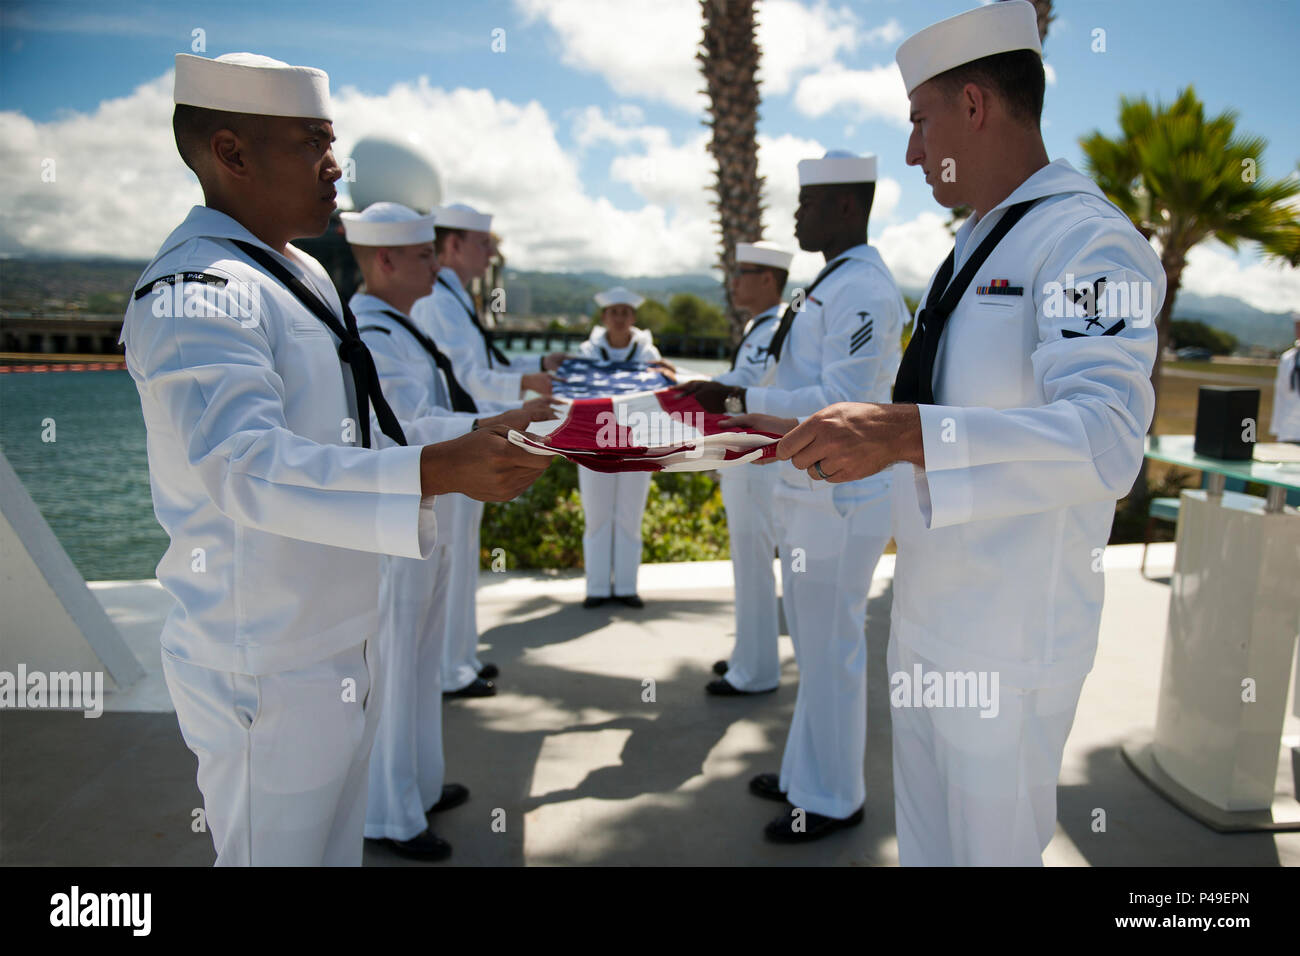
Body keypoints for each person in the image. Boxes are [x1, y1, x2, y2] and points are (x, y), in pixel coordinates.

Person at [120, 53, 547, 866]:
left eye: (333, 142)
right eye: (310, 143)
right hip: (265, 661)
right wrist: (437, 469)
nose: (333, 167)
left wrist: (472, 443)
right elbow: (244, 464)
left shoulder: (297, 272)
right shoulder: (195, 288)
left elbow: (354, 435)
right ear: (231, 152)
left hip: (336, 639)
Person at [771, 0, 1166, 865]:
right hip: (926, 622)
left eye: (920, 122)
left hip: (1010, 641)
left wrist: (908, 434)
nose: (912, 152)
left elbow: (1106, 442)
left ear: (975, 106)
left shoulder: (1089, 243)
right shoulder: (972, 249)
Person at [686, 152, 906, 842]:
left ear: (844, 208)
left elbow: (846, 400)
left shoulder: (863, 289)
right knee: (813, 647)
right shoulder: (831, 282)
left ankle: (835, 797)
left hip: (840, 498)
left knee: (832, 646)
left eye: (808, 205)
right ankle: (802, 776)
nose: (796, 216)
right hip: (811, 492)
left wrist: (741, 399)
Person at [342, 202, 552, 860]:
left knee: (421, 657)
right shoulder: (373, 332)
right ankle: (389, 815)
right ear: (386, 261)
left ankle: (420, 786)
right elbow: (399, 428)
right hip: (397, 515)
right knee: (398, 667)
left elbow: (437, 405)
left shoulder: (398, 327)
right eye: (424, 254)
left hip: (420, 511)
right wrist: (497, 423)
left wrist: (498, 418)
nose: (437, 263)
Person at [412, 203, 562, 698]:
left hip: (467, 433)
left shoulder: (454, 297)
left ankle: (460, 658)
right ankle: (447, 669)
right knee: (449, 556)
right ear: (453, 245)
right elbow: (466, 377)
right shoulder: (437, 300)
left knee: (461, 556)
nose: (492, 251)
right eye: (483, 242)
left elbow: (480, 361)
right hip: (455, 437)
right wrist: (524, 384)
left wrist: (534, 365)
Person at [705, 242, 793, 697]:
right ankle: (747, 655)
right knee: (747, 564)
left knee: (755, 566)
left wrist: (684, 387)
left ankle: (756, 671)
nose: (733, 280)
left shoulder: (773, 329)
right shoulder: (761, 328)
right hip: (746, 464)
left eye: (743, 272)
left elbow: (743, 390)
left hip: (756, 467)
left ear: (767, 280)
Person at [577, 287, 664, 608]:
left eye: (625, 312)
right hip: (594, 441)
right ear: (604, 317)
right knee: (597, 515)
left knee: (630, 514)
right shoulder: (587, 350)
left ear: (633, 318)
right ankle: (596, 588)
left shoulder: (647, 351)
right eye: (614, 312)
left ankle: (627, 586)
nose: (619, 318)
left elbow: (661, 389)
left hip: (636, 440)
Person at [1269, 319, 1300, 442]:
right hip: (1288, 429)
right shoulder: (1287, 358)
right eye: (1297, 326)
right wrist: (1277, 428)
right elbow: (1280, 394)